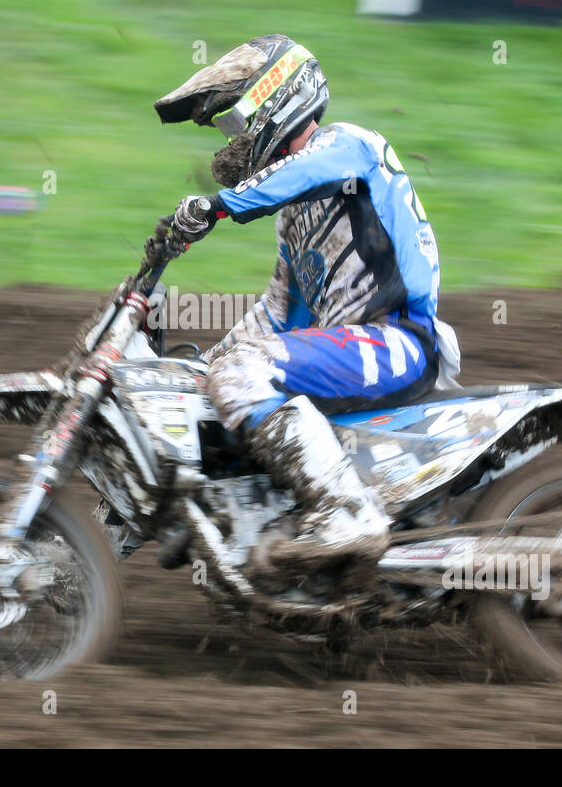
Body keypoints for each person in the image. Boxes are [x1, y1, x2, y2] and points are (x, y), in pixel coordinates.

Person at [153, 34, 460, 573]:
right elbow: (279, 313)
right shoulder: (295, 217)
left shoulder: (351, 146)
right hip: (353, 349)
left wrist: (218, 206)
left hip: (398, 341)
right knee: (225, 380)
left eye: (235, 121)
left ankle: (345, 513)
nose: (233, 139)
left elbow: (303, 171)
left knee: (244, 375)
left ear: (276, 101)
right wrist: (202, 368)